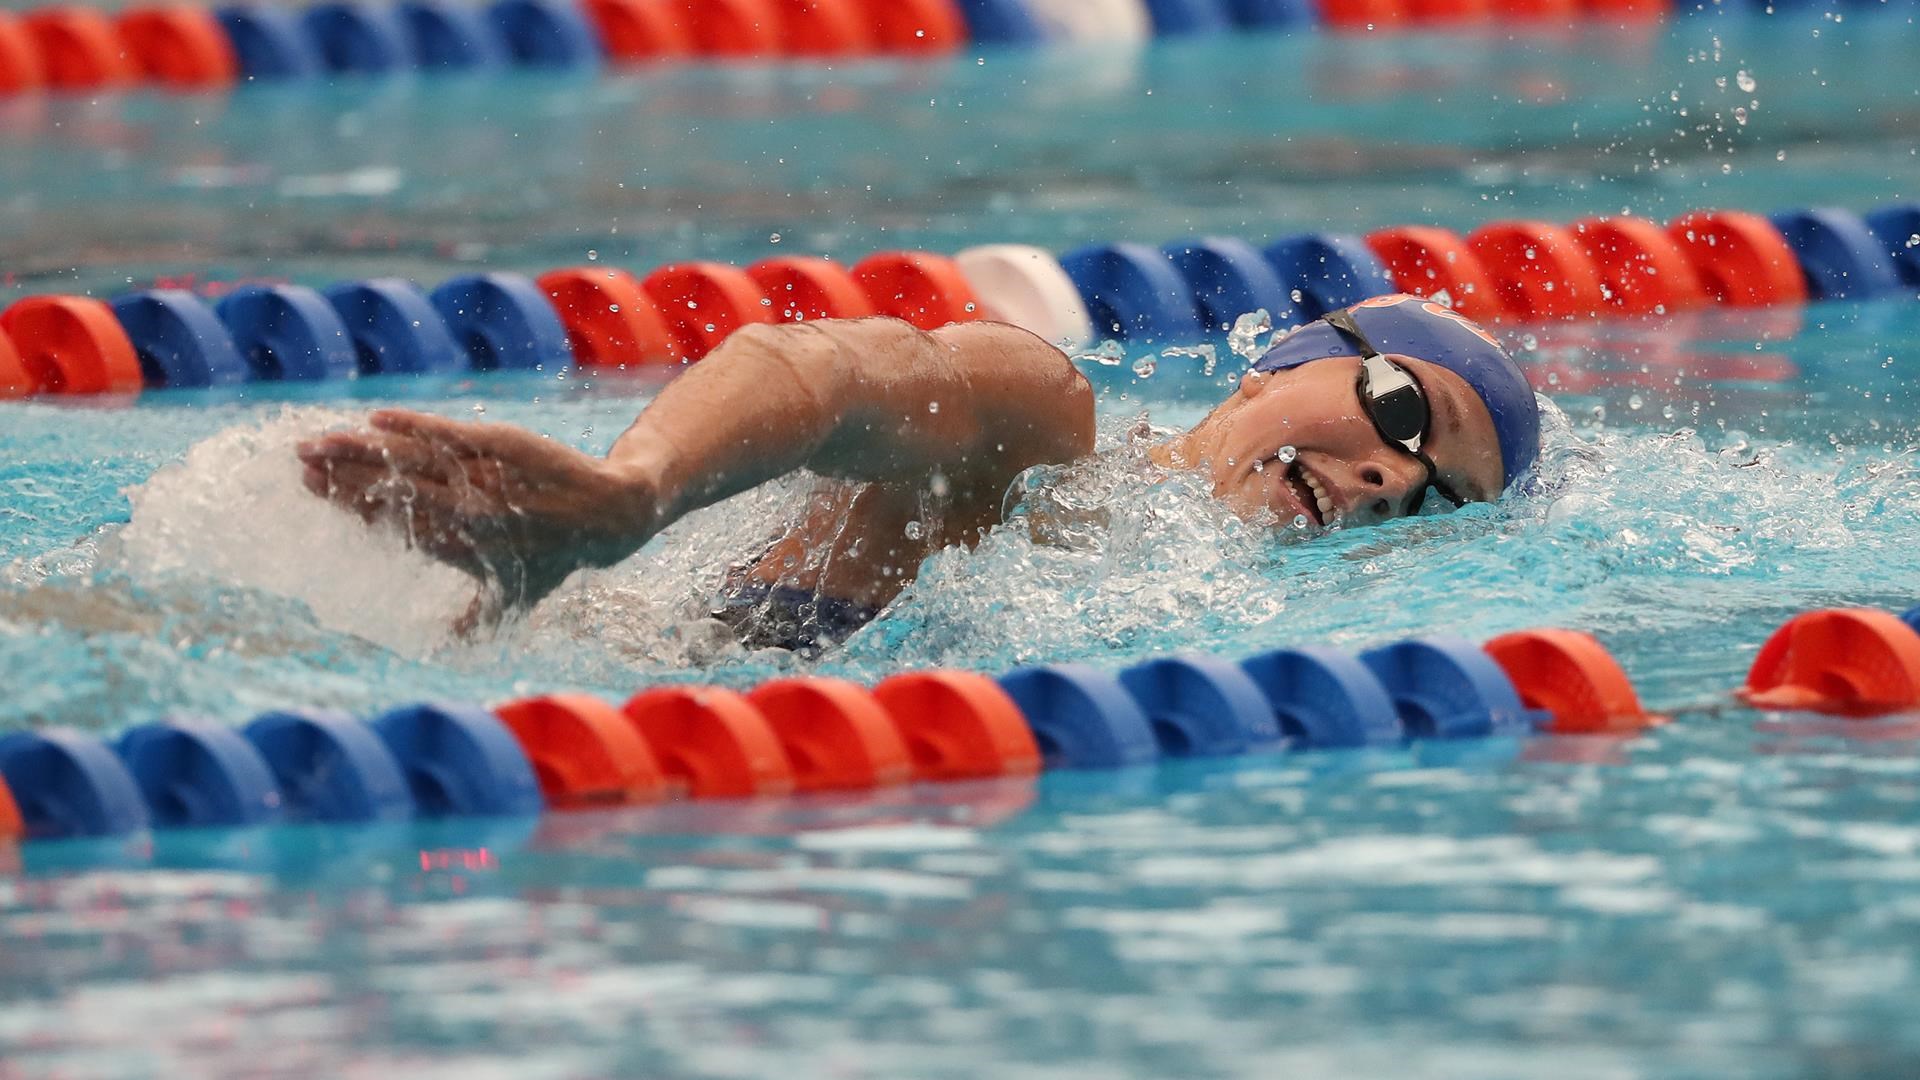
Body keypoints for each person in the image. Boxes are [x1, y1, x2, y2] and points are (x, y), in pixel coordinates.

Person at [296, 293, 1541, 652]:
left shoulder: (1221, 642)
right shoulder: (1041, 423)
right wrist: (634, 493)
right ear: (1277, 361)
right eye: (1397, 410)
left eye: (1438, 496)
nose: (1389, 477)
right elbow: (834, 369)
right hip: (532, 648)